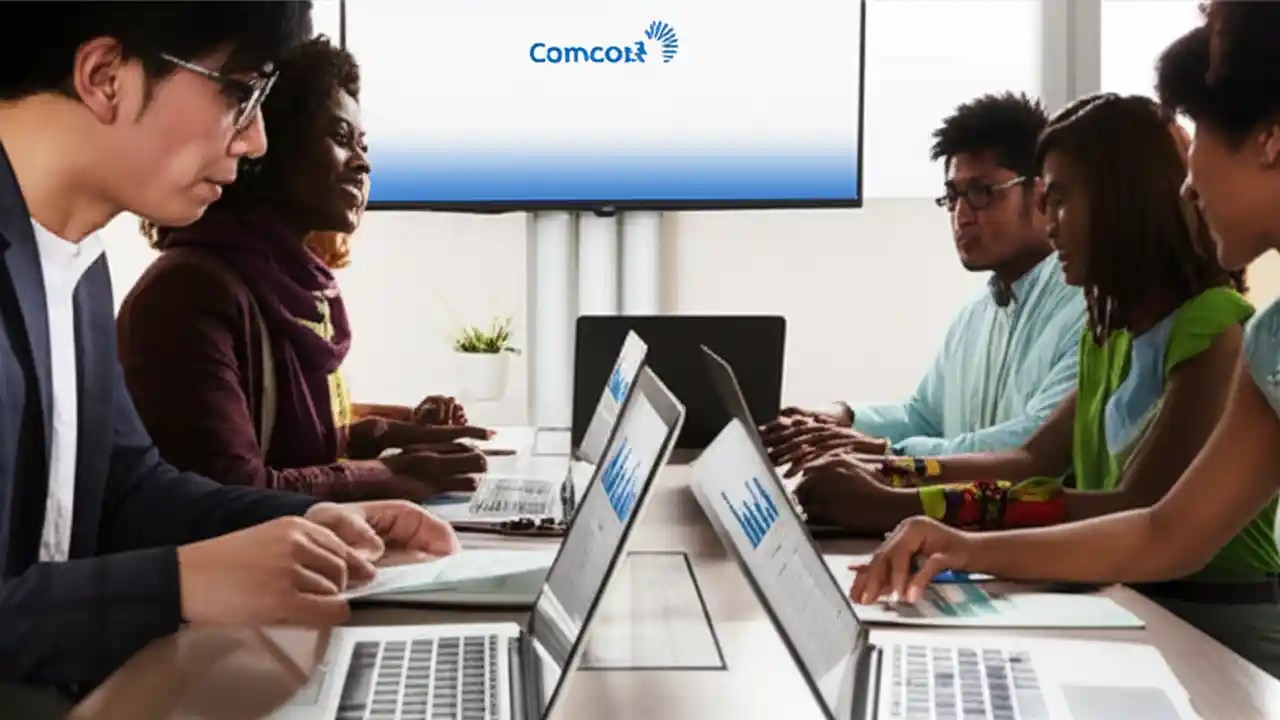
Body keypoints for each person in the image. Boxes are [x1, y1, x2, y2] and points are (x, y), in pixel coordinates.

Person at [0, 2, 460, 691]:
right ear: (105, 78)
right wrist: (180, 583)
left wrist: (317, 518)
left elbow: (131, 492)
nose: (256, 141)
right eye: (240, 93)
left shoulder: (77, 263)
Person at [849, 4, 1280, 678]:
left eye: (1200, 139)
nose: (1188, 184)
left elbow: (1140, 512)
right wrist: (956, 540)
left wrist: (922, 501)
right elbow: (1163, 530)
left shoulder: (1219, 330)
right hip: (1146, 617)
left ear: (1270, 142)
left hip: (1220, 645)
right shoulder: (1266, 341)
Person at [117, 38, 488, 502]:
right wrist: (393, 475)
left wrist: (394, 434)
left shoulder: (287, 285)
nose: (362, 162)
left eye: (363, 145)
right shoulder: (189, 292)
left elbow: (297, 444)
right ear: (271, 142)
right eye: (341, 138)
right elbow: (235, 489)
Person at [763, 93, 1085, 464]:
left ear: (1042, 193)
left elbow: (1031, 445)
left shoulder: (1087, 306)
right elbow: (925, 418)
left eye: (980, 193)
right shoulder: (973, 316)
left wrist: (888, 454)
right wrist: (842, 419)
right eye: (953, 196)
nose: (961, 216)